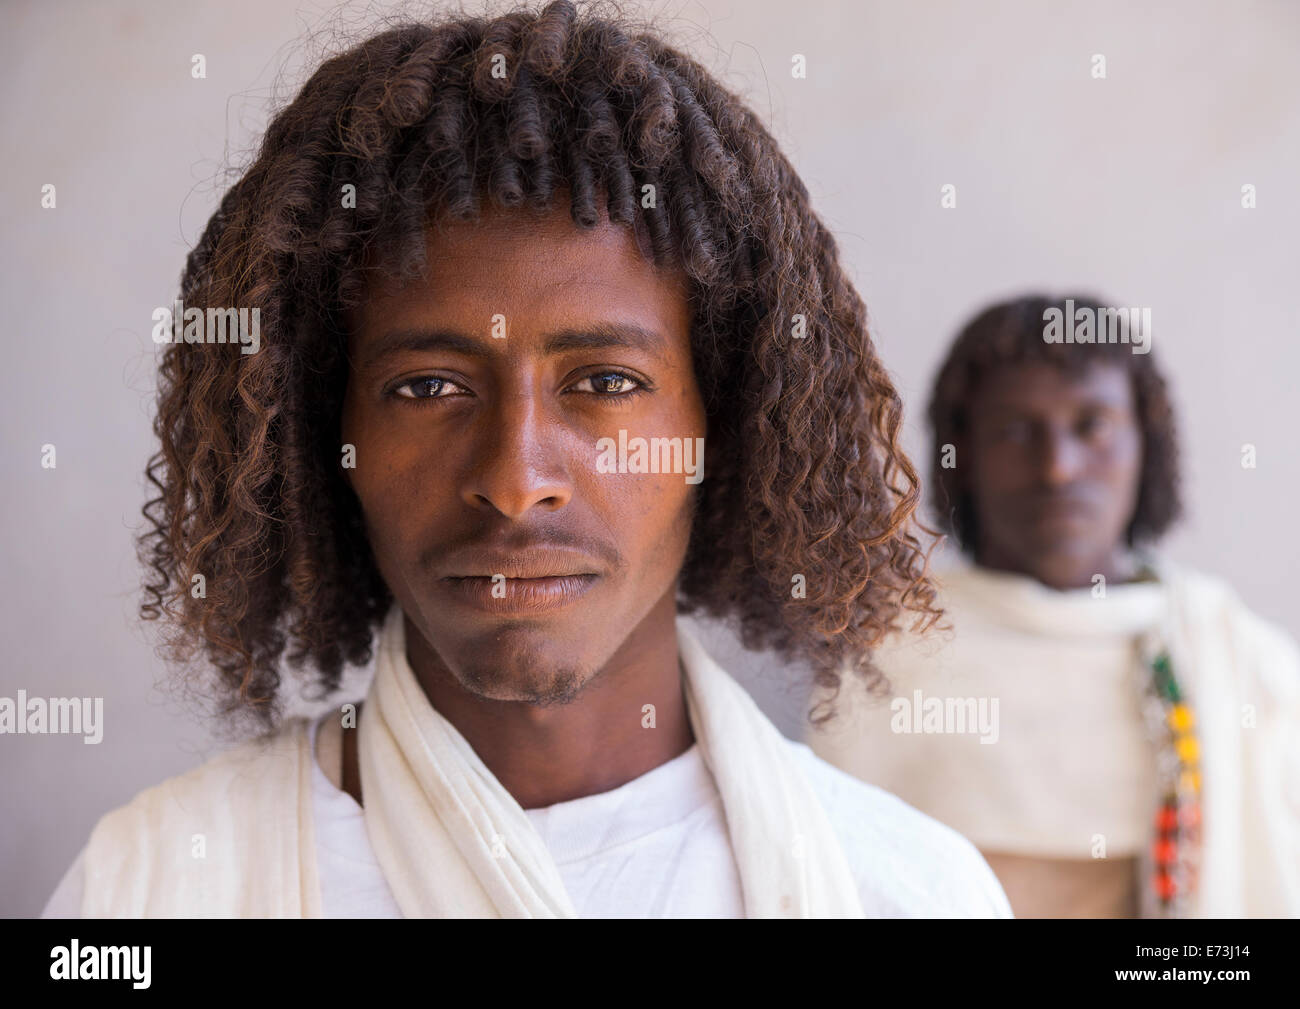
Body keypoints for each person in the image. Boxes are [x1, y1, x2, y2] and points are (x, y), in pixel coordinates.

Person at [41, 1, 1011, 918]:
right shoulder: (155, 885)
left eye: (605, 380)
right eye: (428, 387)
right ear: (318, 438)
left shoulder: (906, 891)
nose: (514, 479)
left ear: (728, 422)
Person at [809, 294, 1300, 917]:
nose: (1059, 468)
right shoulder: (888, 655)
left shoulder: (1243, 661)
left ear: (1145, 443)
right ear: (962, 453)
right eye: (1016, 431)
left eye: (1092, 424)